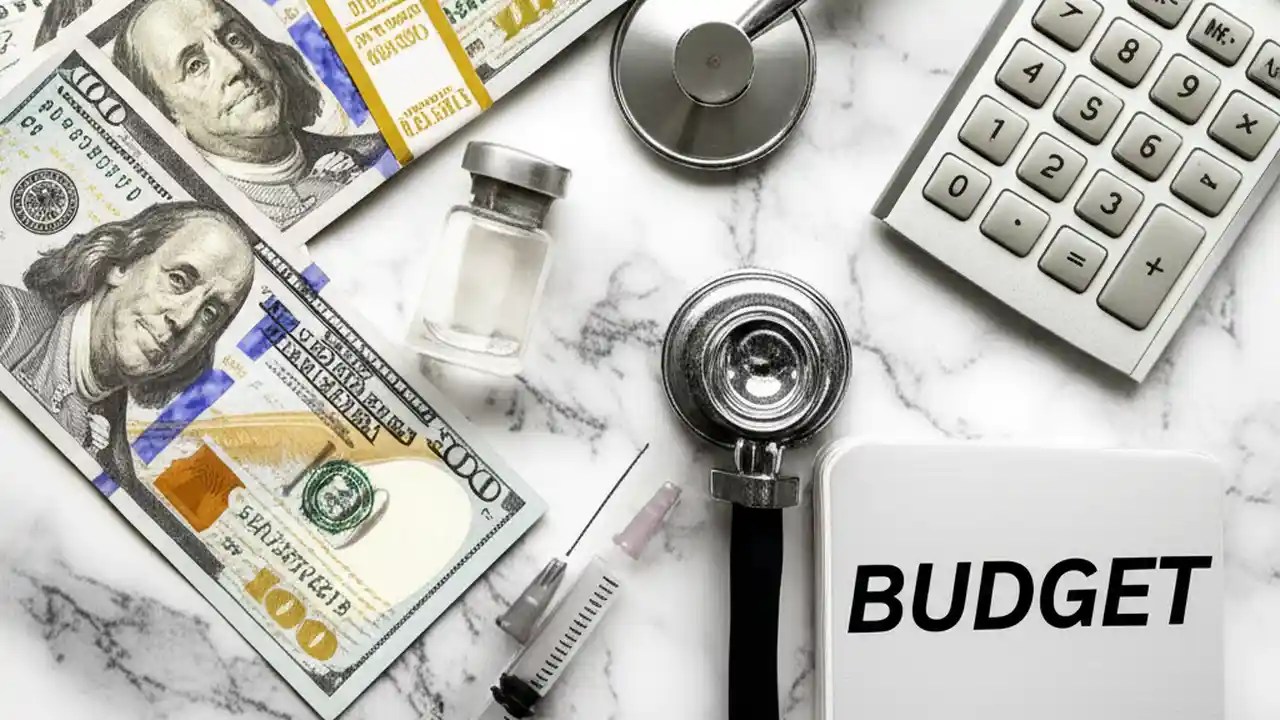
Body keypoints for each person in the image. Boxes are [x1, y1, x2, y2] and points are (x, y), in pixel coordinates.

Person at [0, 201, 255, 486]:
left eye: (210, 314)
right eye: (178, 280)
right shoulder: (6, 320)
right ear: (121, 265)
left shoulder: (117, 473)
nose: (183, 319)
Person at [111, 0, 387, 229]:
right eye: (195, 66)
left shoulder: (376, 150)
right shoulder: (215, 236)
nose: (234, 66)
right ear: (167, 114)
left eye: (234, 38)